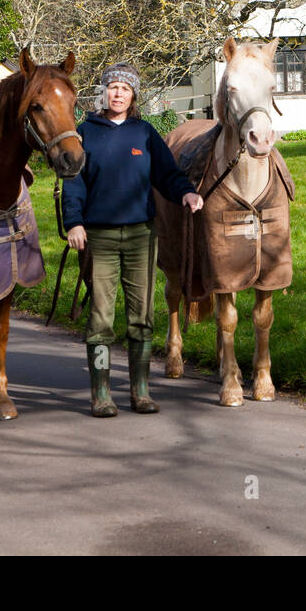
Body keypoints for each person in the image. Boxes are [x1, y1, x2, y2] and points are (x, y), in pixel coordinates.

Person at [61, 64, 202, 416]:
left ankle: (140, 390)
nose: (118, 93)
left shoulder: (145, 133)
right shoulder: (85, 133)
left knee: (141, 316)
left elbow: (167, 174)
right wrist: (74, 224)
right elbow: (73, 183)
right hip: (100, 236)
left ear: (134, 95)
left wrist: (185, 193)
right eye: (113, 88)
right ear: (103, 93)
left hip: (142, 235)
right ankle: (101, 393)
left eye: (125, 88)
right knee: (101, 318)